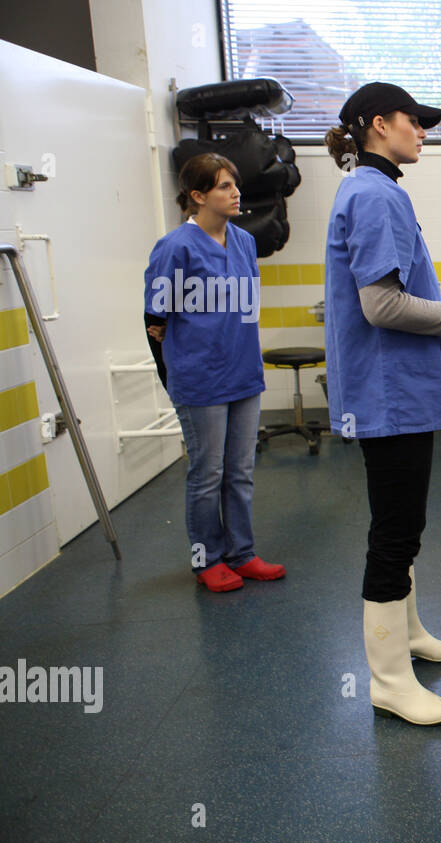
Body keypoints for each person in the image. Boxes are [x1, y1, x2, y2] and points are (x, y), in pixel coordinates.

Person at [324, 83, 441, 726]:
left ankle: (405, 638)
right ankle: (388, 682)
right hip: (388, 394)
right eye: (416, 122)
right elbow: (382, 306)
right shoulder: (373, 195)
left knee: (404, 526)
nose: (424, 133)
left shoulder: (377, 189)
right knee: (395, 531)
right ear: (379, 125)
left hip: (398, 391)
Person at [143, 153, 285, 593]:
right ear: (197, 196)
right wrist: (175, 378)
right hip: (199, 379)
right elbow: (154, 321)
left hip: (243, 375)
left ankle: (242, 553)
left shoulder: (243, 242)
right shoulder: (174, 248)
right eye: (224, 186)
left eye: (235, 184)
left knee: (240, 471)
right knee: (207, 474)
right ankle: (208, 558)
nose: (235, 192)